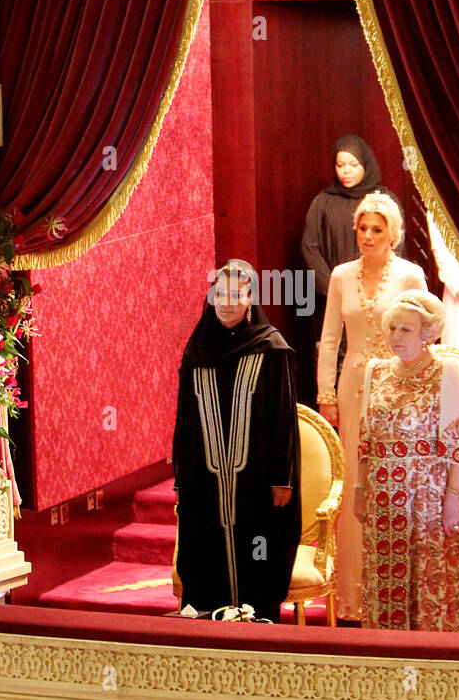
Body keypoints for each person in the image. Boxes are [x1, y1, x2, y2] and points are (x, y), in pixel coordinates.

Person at [316, 193, 426, 623]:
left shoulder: (411, 275)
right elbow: (329, 339)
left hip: (398, 388)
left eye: (376, 229)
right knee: (355, 482)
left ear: (392, 233)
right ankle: (351, 599)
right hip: (352, 385)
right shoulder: (342, 276)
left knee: (394, 480)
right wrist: (326, 396)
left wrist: (419, 392)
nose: (367, 236)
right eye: (362, 228)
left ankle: (396, 593)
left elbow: (426, 336)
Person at [172, 260, 301, 623]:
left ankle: (256, 618)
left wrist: (282, 477)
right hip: (204, 478)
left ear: (249, 299)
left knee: (257, 547)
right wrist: (182, 478)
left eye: (236, 294)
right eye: (220, 294)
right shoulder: (197, 350)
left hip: (259, 480)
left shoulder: (271, 348)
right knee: (206, 545)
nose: (227, 302)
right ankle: (210, 621)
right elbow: (184, 420)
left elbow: (283, 419)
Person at [355, 290, 459, 632]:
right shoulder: (375, 371)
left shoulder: (446, 370)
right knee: (384, 578)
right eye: (392, 328)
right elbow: (365, 438)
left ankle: (436, 659)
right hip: (383, 499)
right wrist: (359, 490)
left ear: (427, 333)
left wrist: (453, 500)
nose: (396, 336)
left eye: (405, 329)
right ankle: (386, 655)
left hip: (430, 496)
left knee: (429, 576)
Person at [301, 135, 403, 343]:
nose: (346, 171)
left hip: (377, 299)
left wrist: (374, 287)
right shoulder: (323, 201)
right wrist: (335, 289)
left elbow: (395, 245)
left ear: (365, 164)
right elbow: (310, 247)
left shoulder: (384, 201)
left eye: (353, 165)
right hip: (332, 299)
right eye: (340, 165)